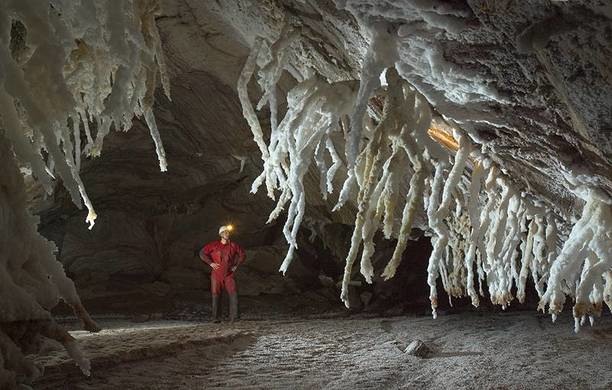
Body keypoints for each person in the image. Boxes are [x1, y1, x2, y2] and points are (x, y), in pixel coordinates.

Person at [199, 225, 245, 322]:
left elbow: (242, 255)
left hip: (229, 274)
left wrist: (236, 265)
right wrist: (210, 263)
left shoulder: (233, 245)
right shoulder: (214, 245)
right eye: (225, 232)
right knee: (216, 294)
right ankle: (216, 318)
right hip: (216, 274)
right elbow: (202, 253)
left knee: (233, 293)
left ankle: (234, 317)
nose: (227, 234)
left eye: (228, 232)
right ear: (221, 234)